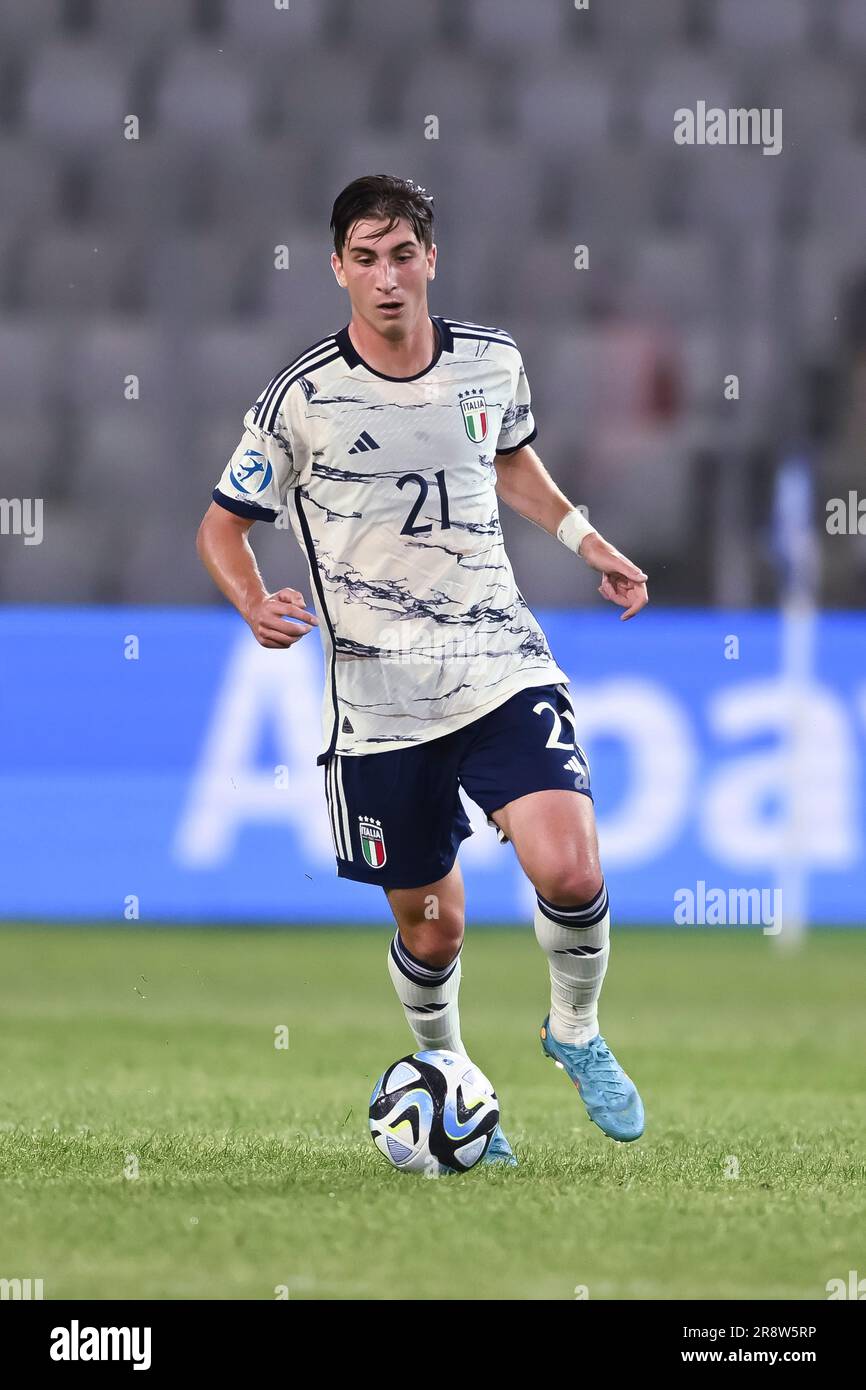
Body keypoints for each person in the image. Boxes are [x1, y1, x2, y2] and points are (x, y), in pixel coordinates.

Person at [196, 175, 650, 1164]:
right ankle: (451, 1078)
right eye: (364, 257)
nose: (386, 277)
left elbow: (508, 461)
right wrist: (249, 599)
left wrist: (586, 541)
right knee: (434, 930)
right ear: (338, 269)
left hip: (495, 661)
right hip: (378, 703)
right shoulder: (300, 399)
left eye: (402, 254)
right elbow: (222, 525)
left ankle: (572, 1032)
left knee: (569, 866)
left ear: (429, 259)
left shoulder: (489, 363)